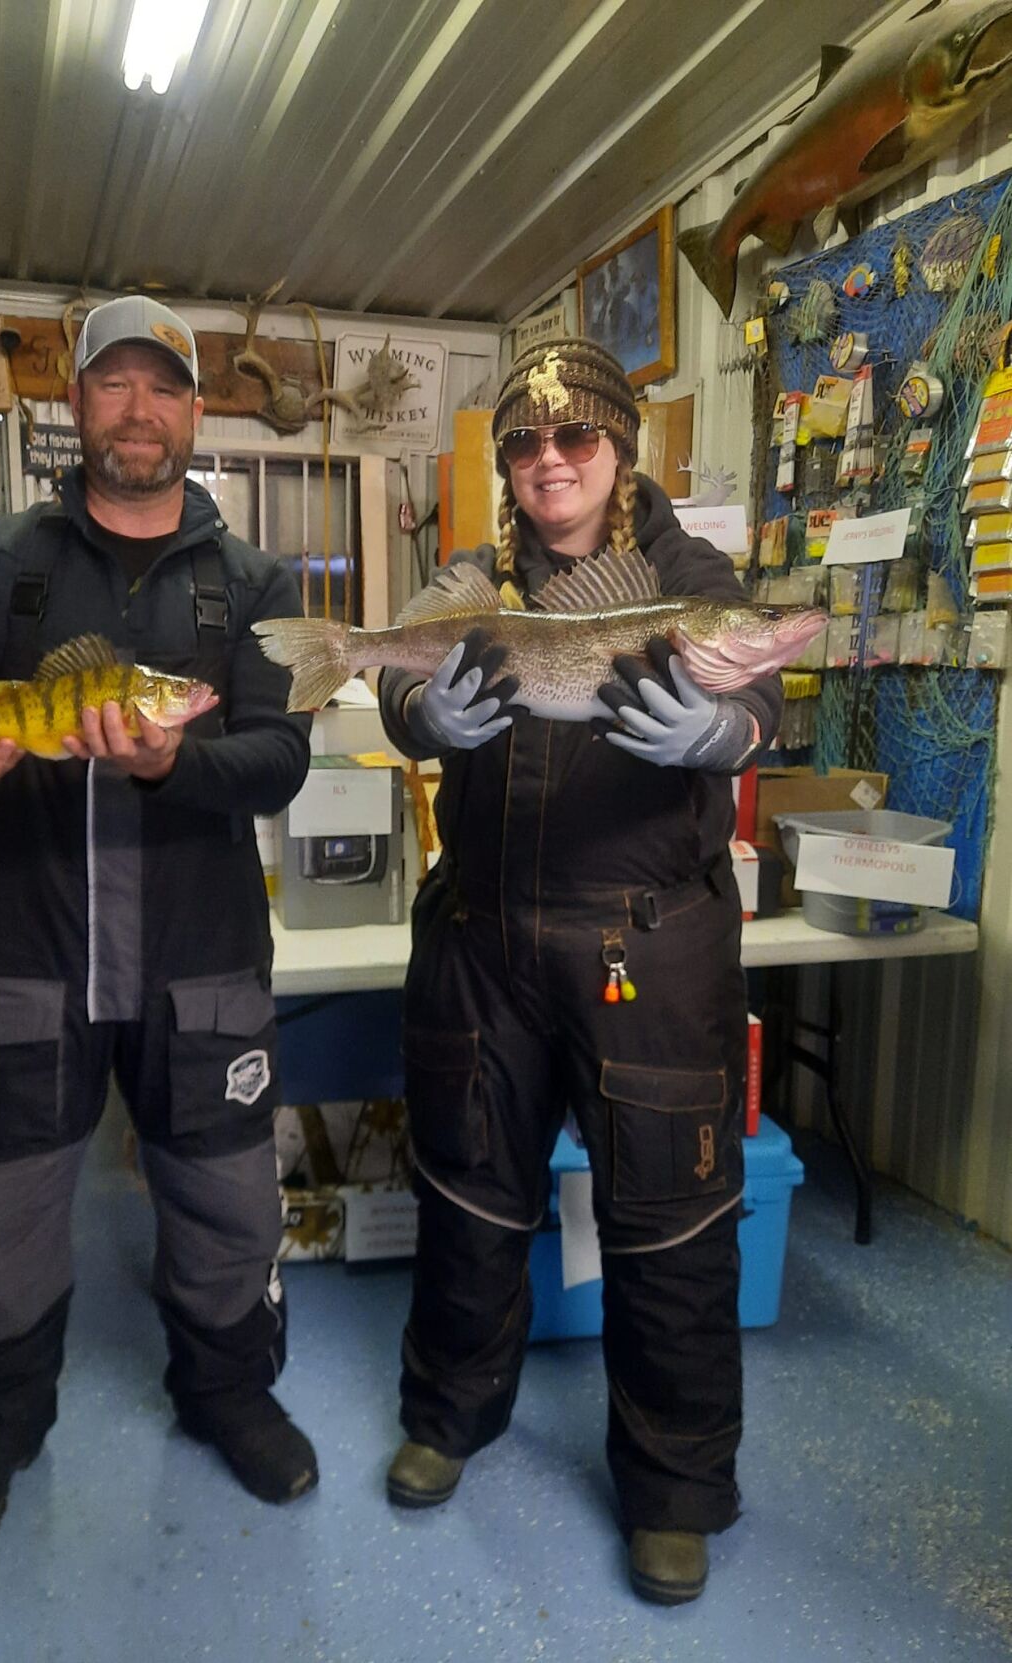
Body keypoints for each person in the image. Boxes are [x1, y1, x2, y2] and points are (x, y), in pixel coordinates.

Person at [0, 295, 317, 1556]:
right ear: (76, 407)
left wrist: (167, 771)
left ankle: (227, 1389)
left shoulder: (254, 585)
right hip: (23, 951)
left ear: (194, 410)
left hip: (201, 960)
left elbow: (280, 758)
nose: (138, 409)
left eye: (163, 386)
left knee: (230, 1197)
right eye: (112, 385)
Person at [377, 338, 783, 1606]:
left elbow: (763, 679)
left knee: (669, 1221)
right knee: (470, 1189)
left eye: (574, 439)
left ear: (619, 449)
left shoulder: (686, 572)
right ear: (505, 462)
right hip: (483, 939)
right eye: (522, 443)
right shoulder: (467, 574)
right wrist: (413, 718)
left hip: (645, 947)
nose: (547, 461)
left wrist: (729, 728)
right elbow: (399, 681)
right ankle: (448, 1414)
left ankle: (671, 1492)